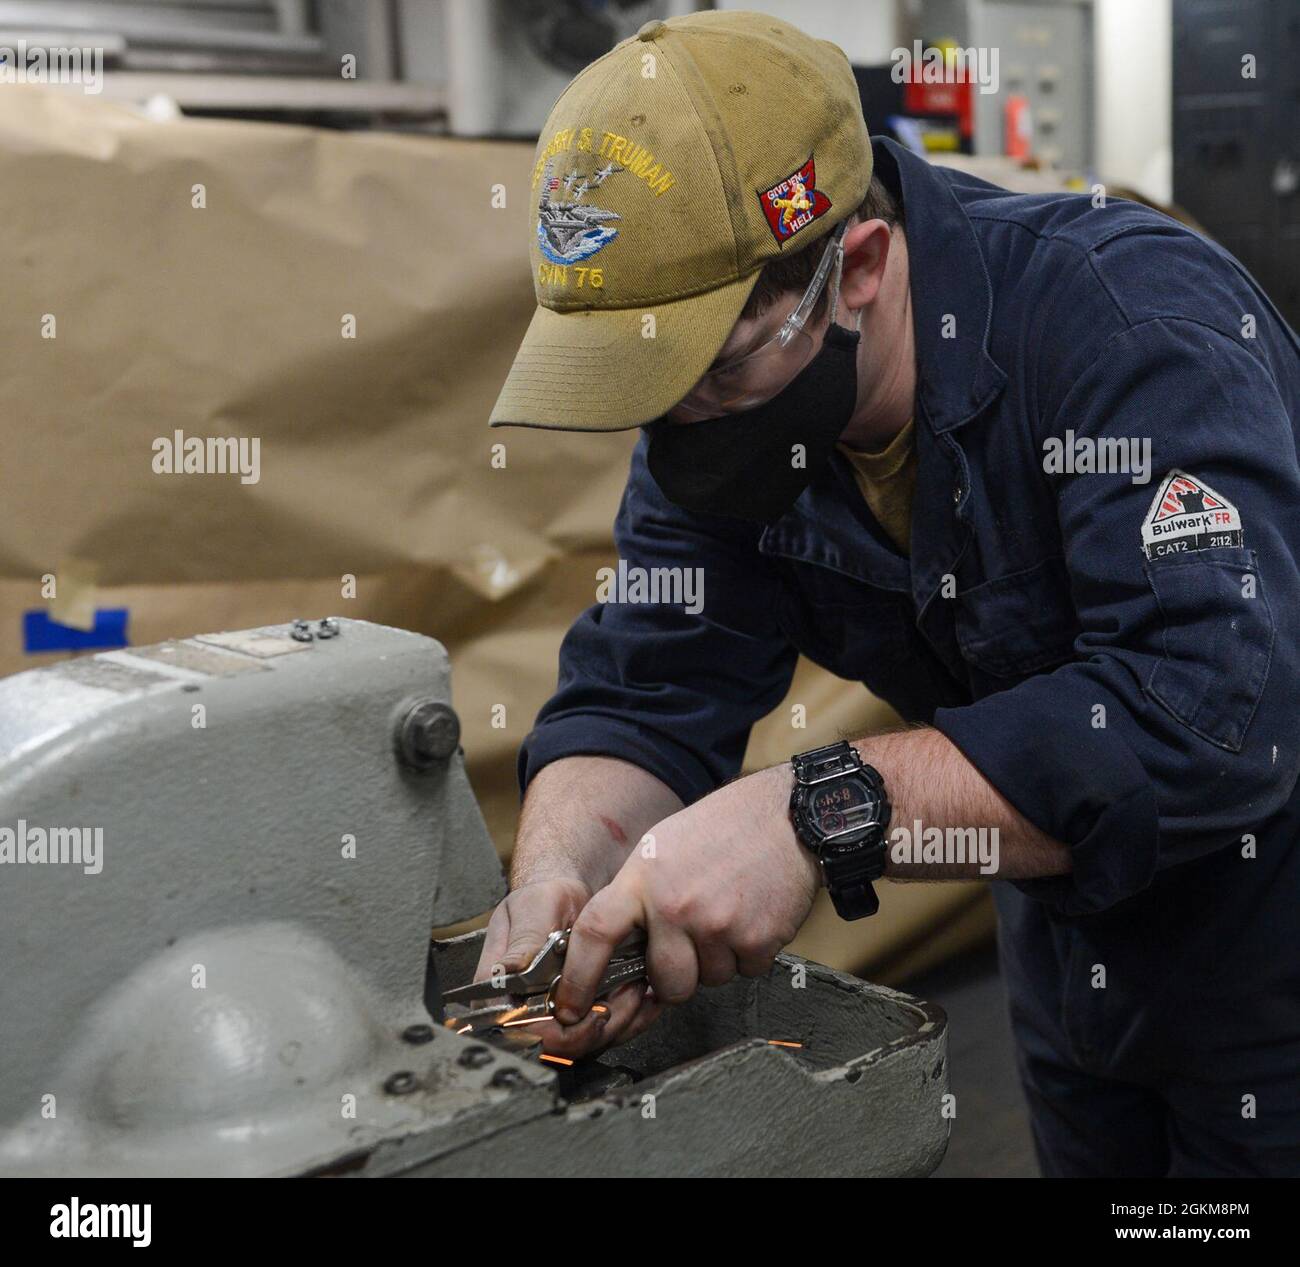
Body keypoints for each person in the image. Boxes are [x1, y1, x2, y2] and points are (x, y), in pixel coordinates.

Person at [483, 10, 1300, 1177]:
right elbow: (652, 682)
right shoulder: (724, 422)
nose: (684, 430)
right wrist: (564, 871)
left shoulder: (1127, 326)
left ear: (854, 268)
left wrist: (815, 812)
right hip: (1066, 900)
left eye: (709, 371)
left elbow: (1209, 721)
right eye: (649, 391)